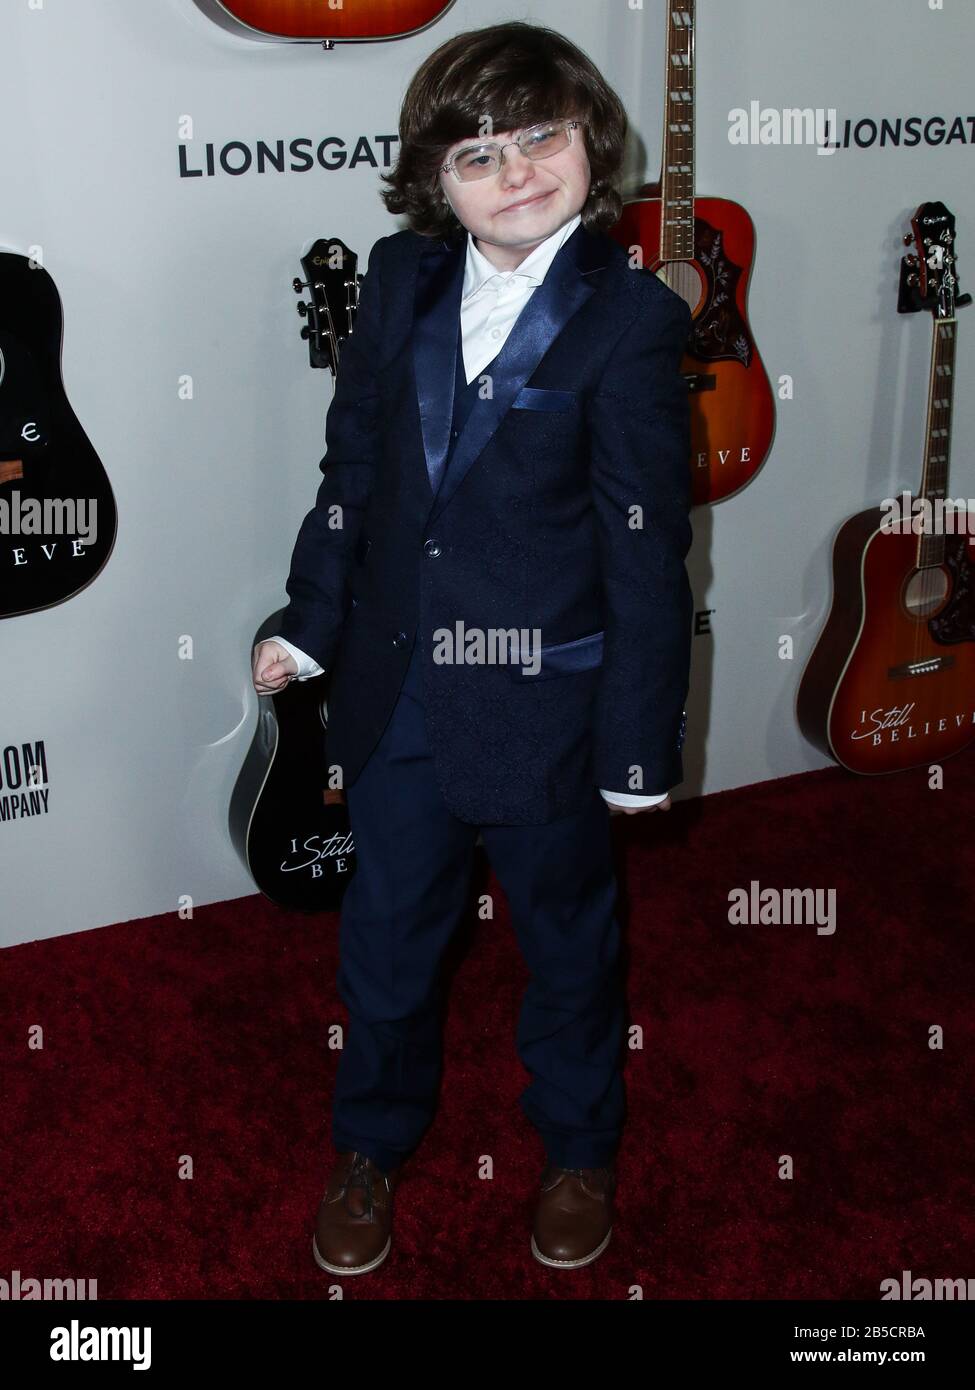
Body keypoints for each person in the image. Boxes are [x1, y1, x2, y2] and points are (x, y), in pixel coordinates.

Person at [251, 19, 692, 1276]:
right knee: (386, 935)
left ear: (589, 139)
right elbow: (354, 475)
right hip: (399, 697)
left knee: (567, 940)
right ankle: (370, 1141)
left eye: (540, 136)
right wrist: (311, 619)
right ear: (434, 179)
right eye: (478, 151)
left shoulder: (633, 320)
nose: (516, 171)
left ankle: (576, 1145)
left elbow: (646, 549)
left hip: (549, 709)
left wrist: (638, 736)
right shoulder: (397, 281)